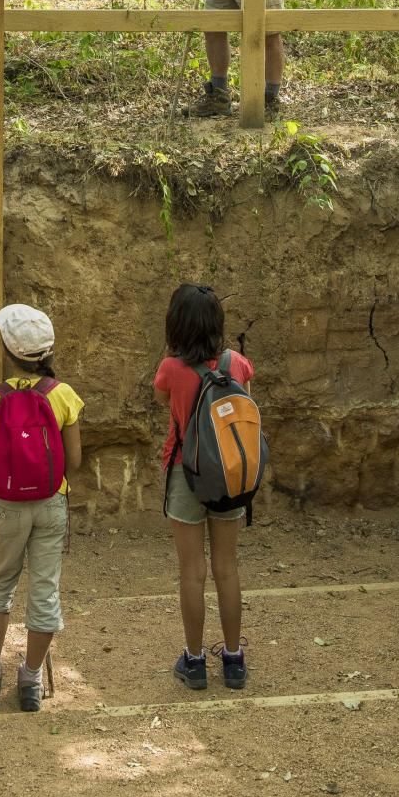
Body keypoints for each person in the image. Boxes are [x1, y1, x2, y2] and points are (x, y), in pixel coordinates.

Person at [0, 304, 84, 713]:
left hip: (8, 505)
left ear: (8, 351)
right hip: (52, 504)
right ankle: (32, 678)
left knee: (0, 586)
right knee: (44, 589)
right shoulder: (63, 395)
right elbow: (74, 462)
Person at [154, 282, 254, 692]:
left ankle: (194, 662)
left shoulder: (170, 370)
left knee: (191, 572)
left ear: (176, 324)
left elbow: (168, 405)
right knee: (227, 568)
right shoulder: (239, 364)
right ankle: (233, 659)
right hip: (230, 474)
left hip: (185, 472)